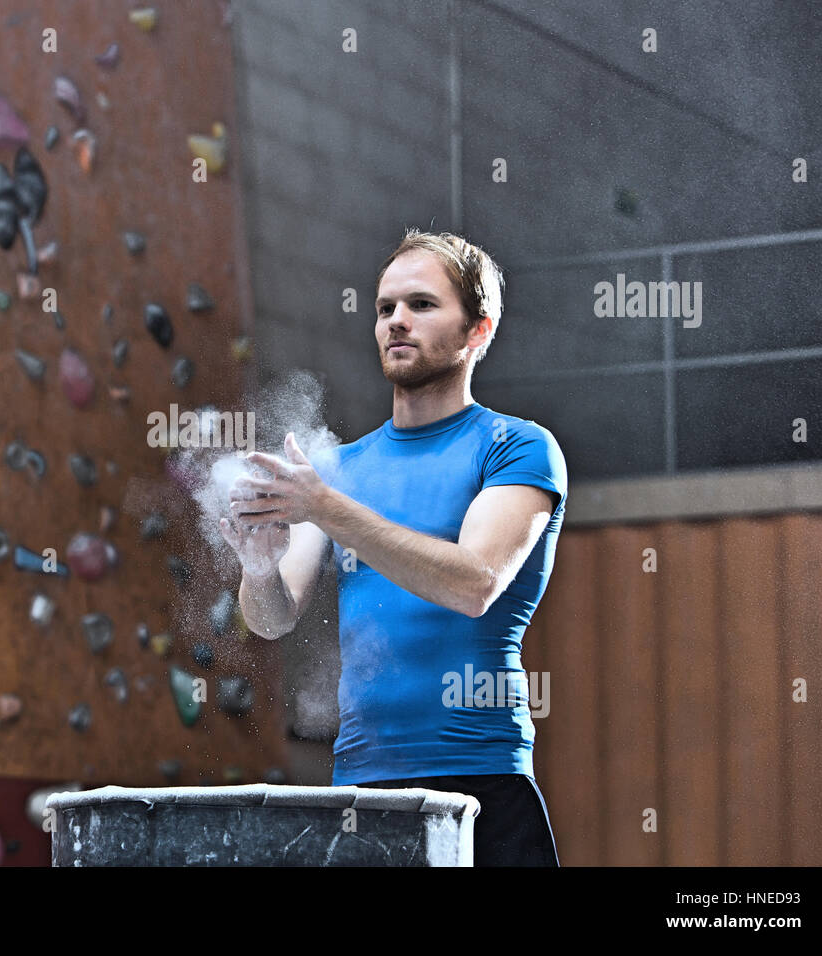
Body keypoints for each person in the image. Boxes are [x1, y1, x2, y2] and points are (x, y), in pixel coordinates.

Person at [220, 229, 565, 866]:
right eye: (385, 308)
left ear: (478, 331)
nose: (396, 321)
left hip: (481, 786)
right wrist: (258, 563)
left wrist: (323, 505)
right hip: (362, 788)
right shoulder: (339, 471)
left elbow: (474, 583)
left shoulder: (518, 447)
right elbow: (271, 619)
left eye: (422, 305)